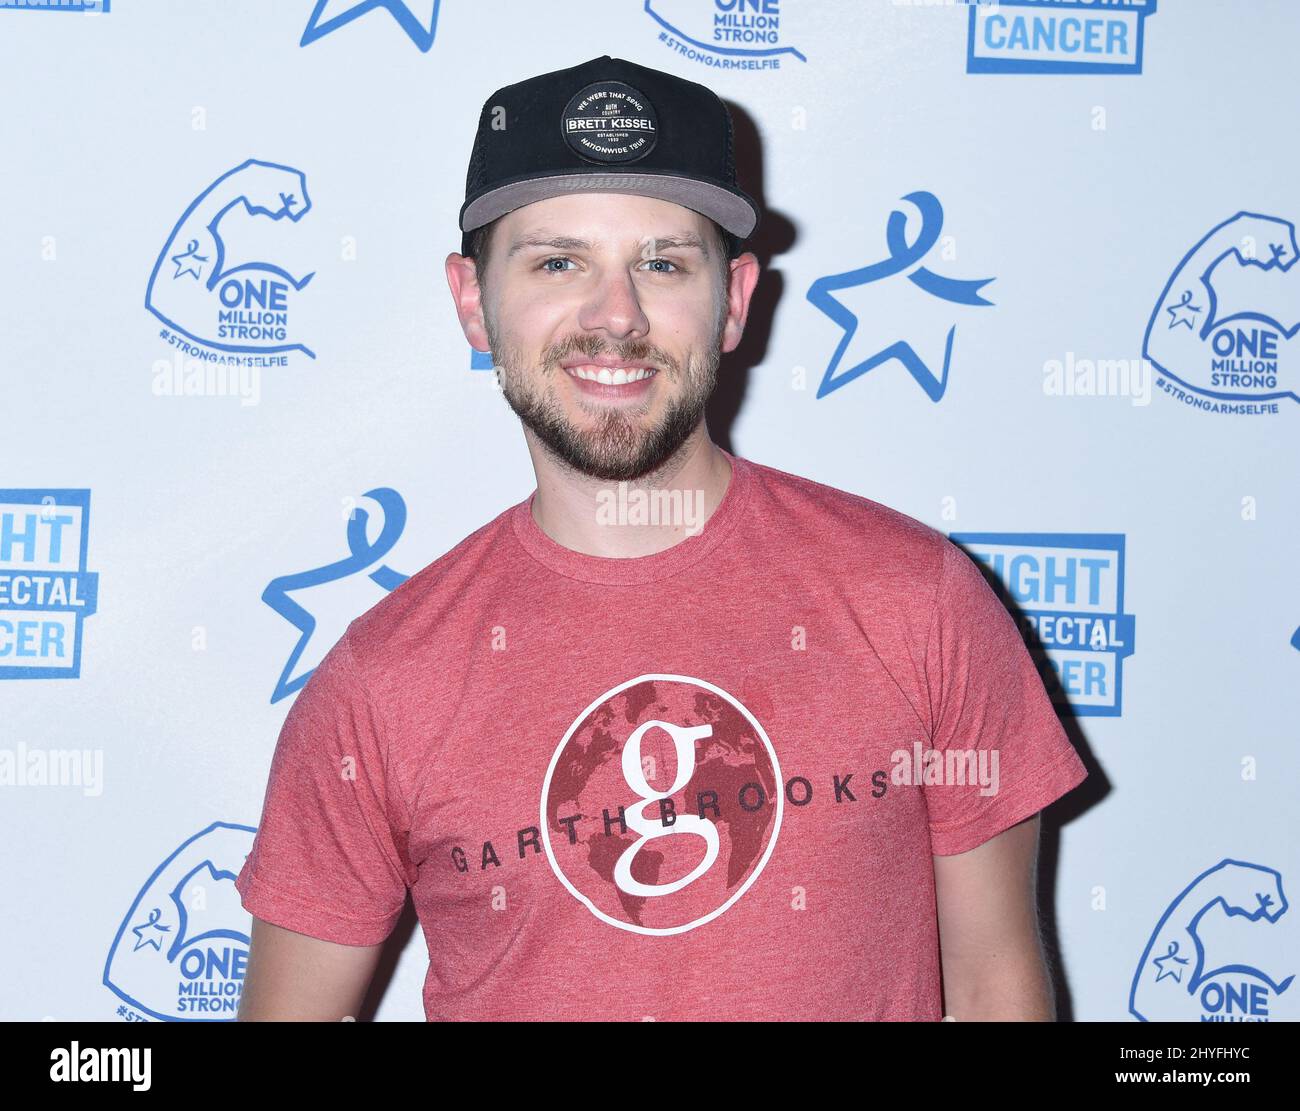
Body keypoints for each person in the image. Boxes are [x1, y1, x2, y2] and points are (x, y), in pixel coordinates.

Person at [235, 54, 1089, 1022]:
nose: (615, 316)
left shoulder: (918, 601)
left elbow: (993, 990)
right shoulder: (380, 683)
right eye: (558, 262)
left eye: (663, 262)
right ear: (472, 302)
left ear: (734, 301)